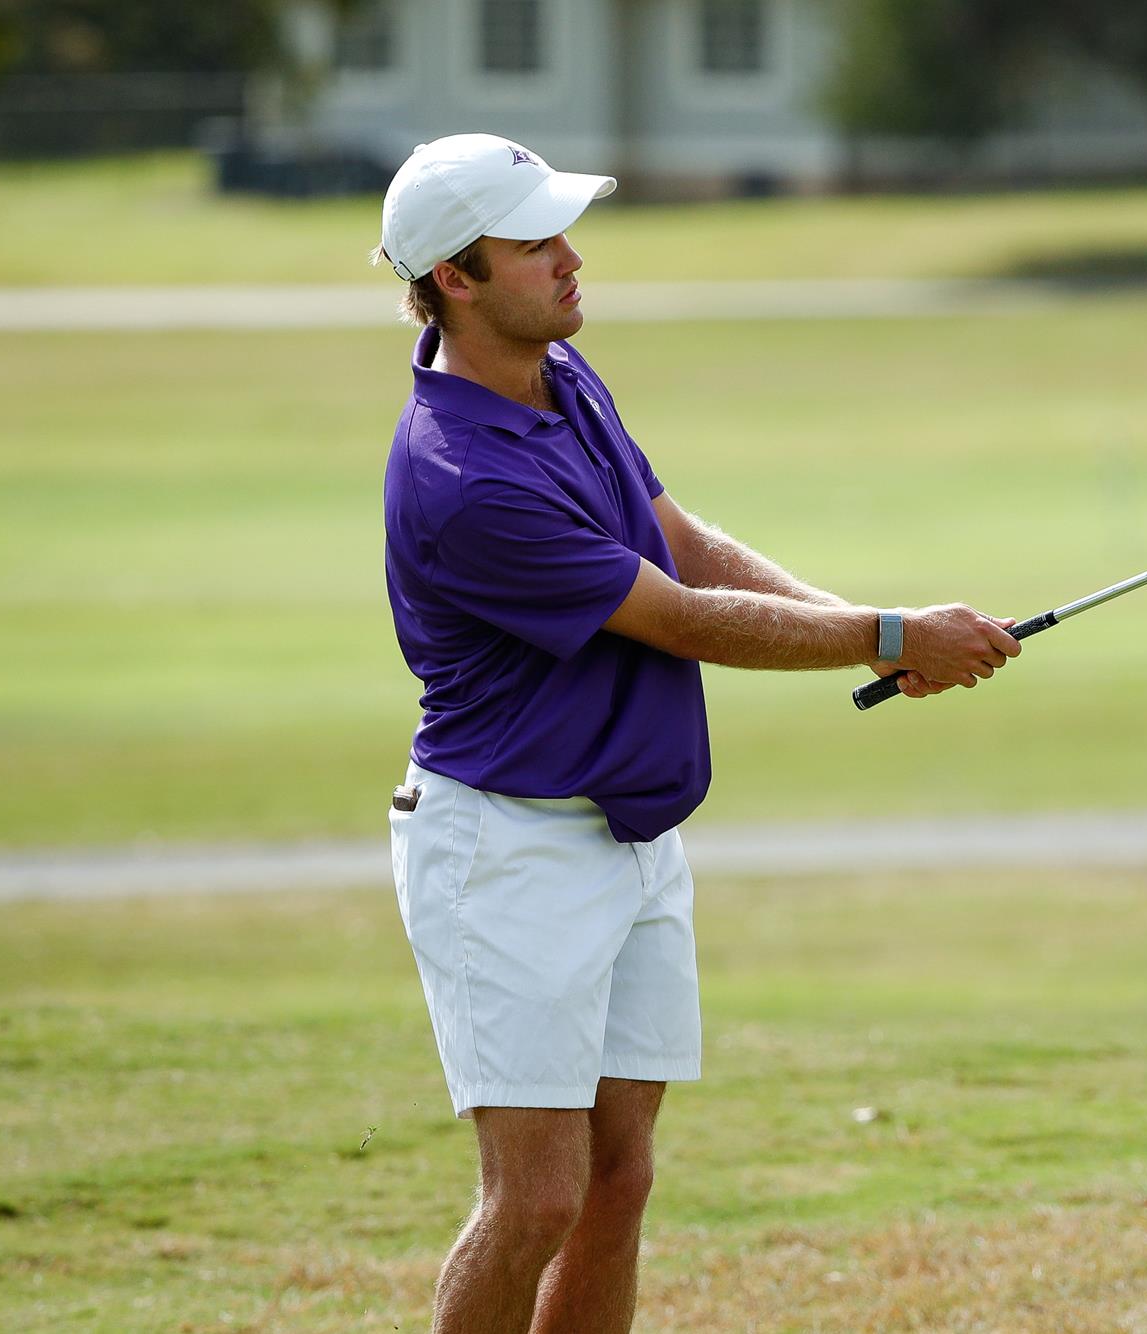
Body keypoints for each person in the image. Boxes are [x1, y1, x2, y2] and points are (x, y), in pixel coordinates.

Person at [375, 133, 1020, 1334]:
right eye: (534, 244)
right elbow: (675, 617)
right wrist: (888, 633)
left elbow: (679, 539)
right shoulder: (465, 476)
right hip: (505, 848)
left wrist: (871, 633)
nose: (571, 260)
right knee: (534, 1199)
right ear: (455, 278)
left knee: (617, 1179)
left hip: (625, 831)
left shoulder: (560, 379)